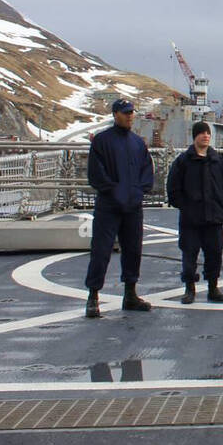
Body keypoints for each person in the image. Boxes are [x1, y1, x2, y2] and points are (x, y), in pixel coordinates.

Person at [84, 99, 155, 318]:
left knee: (133, 250)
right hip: (108, 206)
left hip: (133, 206)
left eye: (132, 112)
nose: (130, 116)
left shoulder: (137, 143)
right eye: (125, 113)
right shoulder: (102, 141)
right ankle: (93, 296)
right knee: (101, 251)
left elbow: (146, 169)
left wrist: (139, 191)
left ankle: (130, 294)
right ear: (115, 114)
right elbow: (96, 173)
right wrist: (113, 191)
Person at [166, 121, 223, 303]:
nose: (205, 136)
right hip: (191, 220)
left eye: (207, 133)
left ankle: (213, 288)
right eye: (201, 133)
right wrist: (186, 207)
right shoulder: (183, 161)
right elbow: (173, 189)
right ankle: (190, 289)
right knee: (189, 254)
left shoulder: (218, 160)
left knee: (215, 254)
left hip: (214, 218)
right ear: (195, 136)